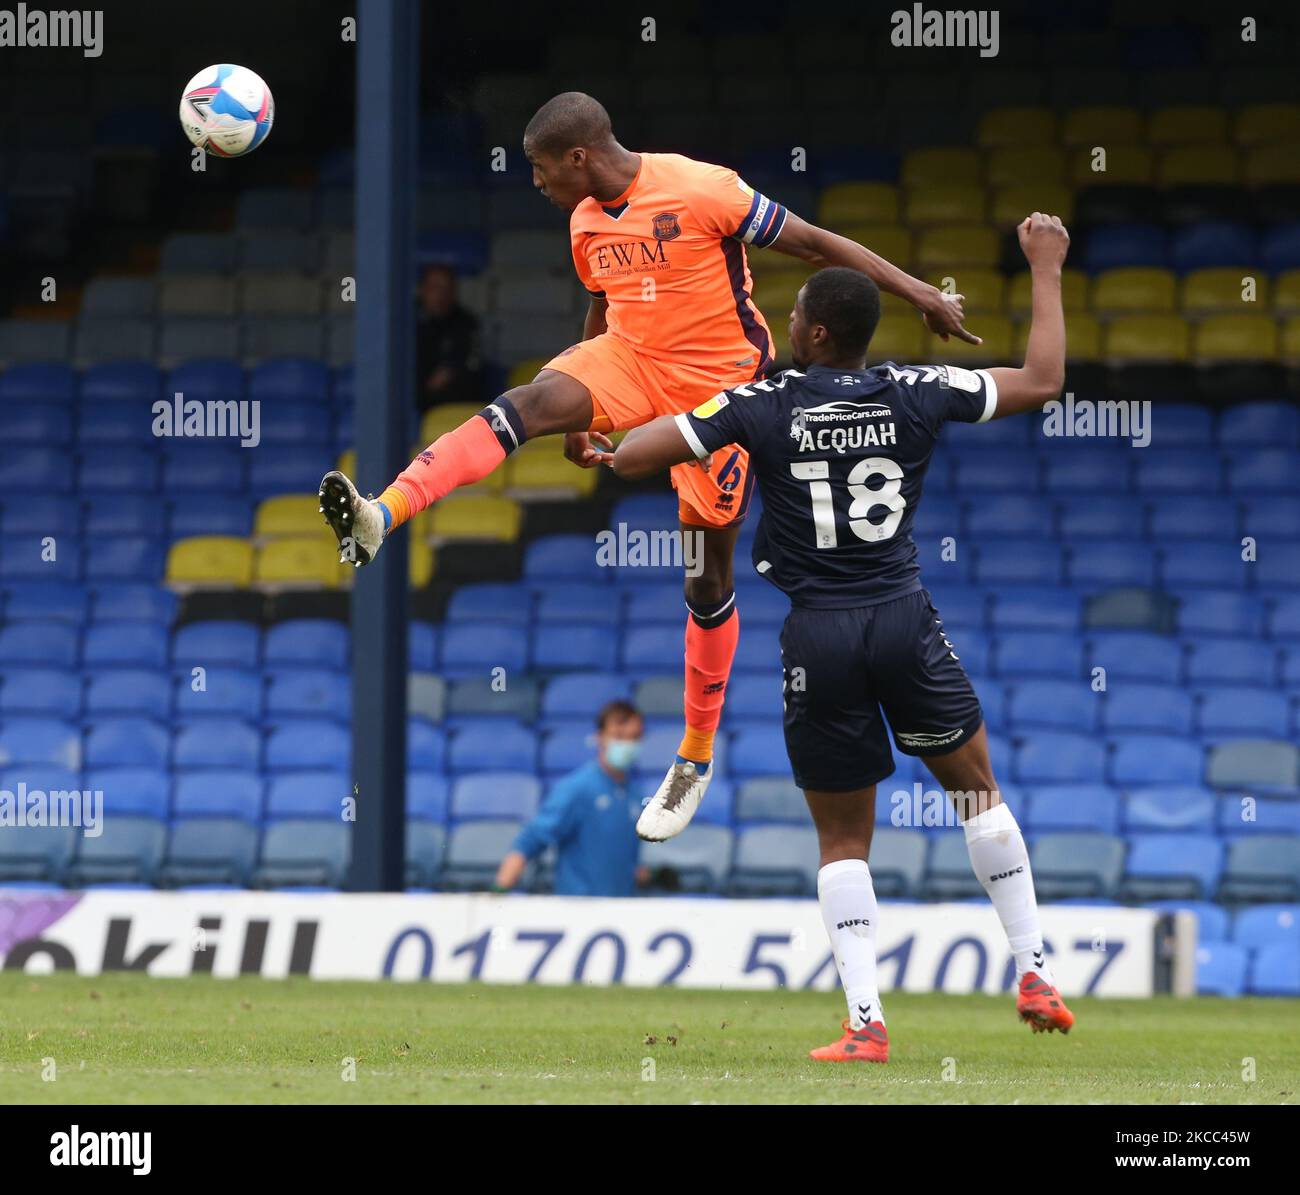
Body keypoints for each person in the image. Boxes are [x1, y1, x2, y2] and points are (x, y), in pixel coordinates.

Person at [318, 91, 976, 848]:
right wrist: (586, 403)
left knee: (705, 576)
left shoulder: (702, 188)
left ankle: (694, 755)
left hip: (720, 387)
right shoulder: (584, 220)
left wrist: (919, 291)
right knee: (524, 403)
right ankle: (382, 513)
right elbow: (603, 307)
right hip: (630, 359)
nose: (534, 183)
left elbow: (818, 245)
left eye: (540, 170)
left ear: (579, 157)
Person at [609, 214, 1075, 1062]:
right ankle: (1035, 969)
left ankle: (867, 1023)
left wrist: (609, 433)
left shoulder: (760, 403)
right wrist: (1044, 264)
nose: (783, 328)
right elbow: (1044, 379)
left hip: (817, 638)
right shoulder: (918, 390)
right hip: (904, 618)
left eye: (791, 320)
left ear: (817, 331)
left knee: (842, 840)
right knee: (977, 796)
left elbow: (641, 449)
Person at [493, 700, 646, 897]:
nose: (627, 744)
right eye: (619, 736)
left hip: (621, 912)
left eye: (634, 738)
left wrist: (647, 875)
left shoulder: (635, 793)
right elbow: (531, 840)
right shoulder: (577, 788)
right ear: (600, 738)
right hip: (578, 911)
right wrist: (499, 890)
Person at [414, 263, 484, 411]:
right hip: (413, 403)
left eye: (446, 289)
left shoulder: (466, 322)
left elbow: (466, 366)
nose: (440, 295)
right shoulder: (407, 323)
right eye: (434, 289)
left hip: (457, 401)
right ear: (422, 290)